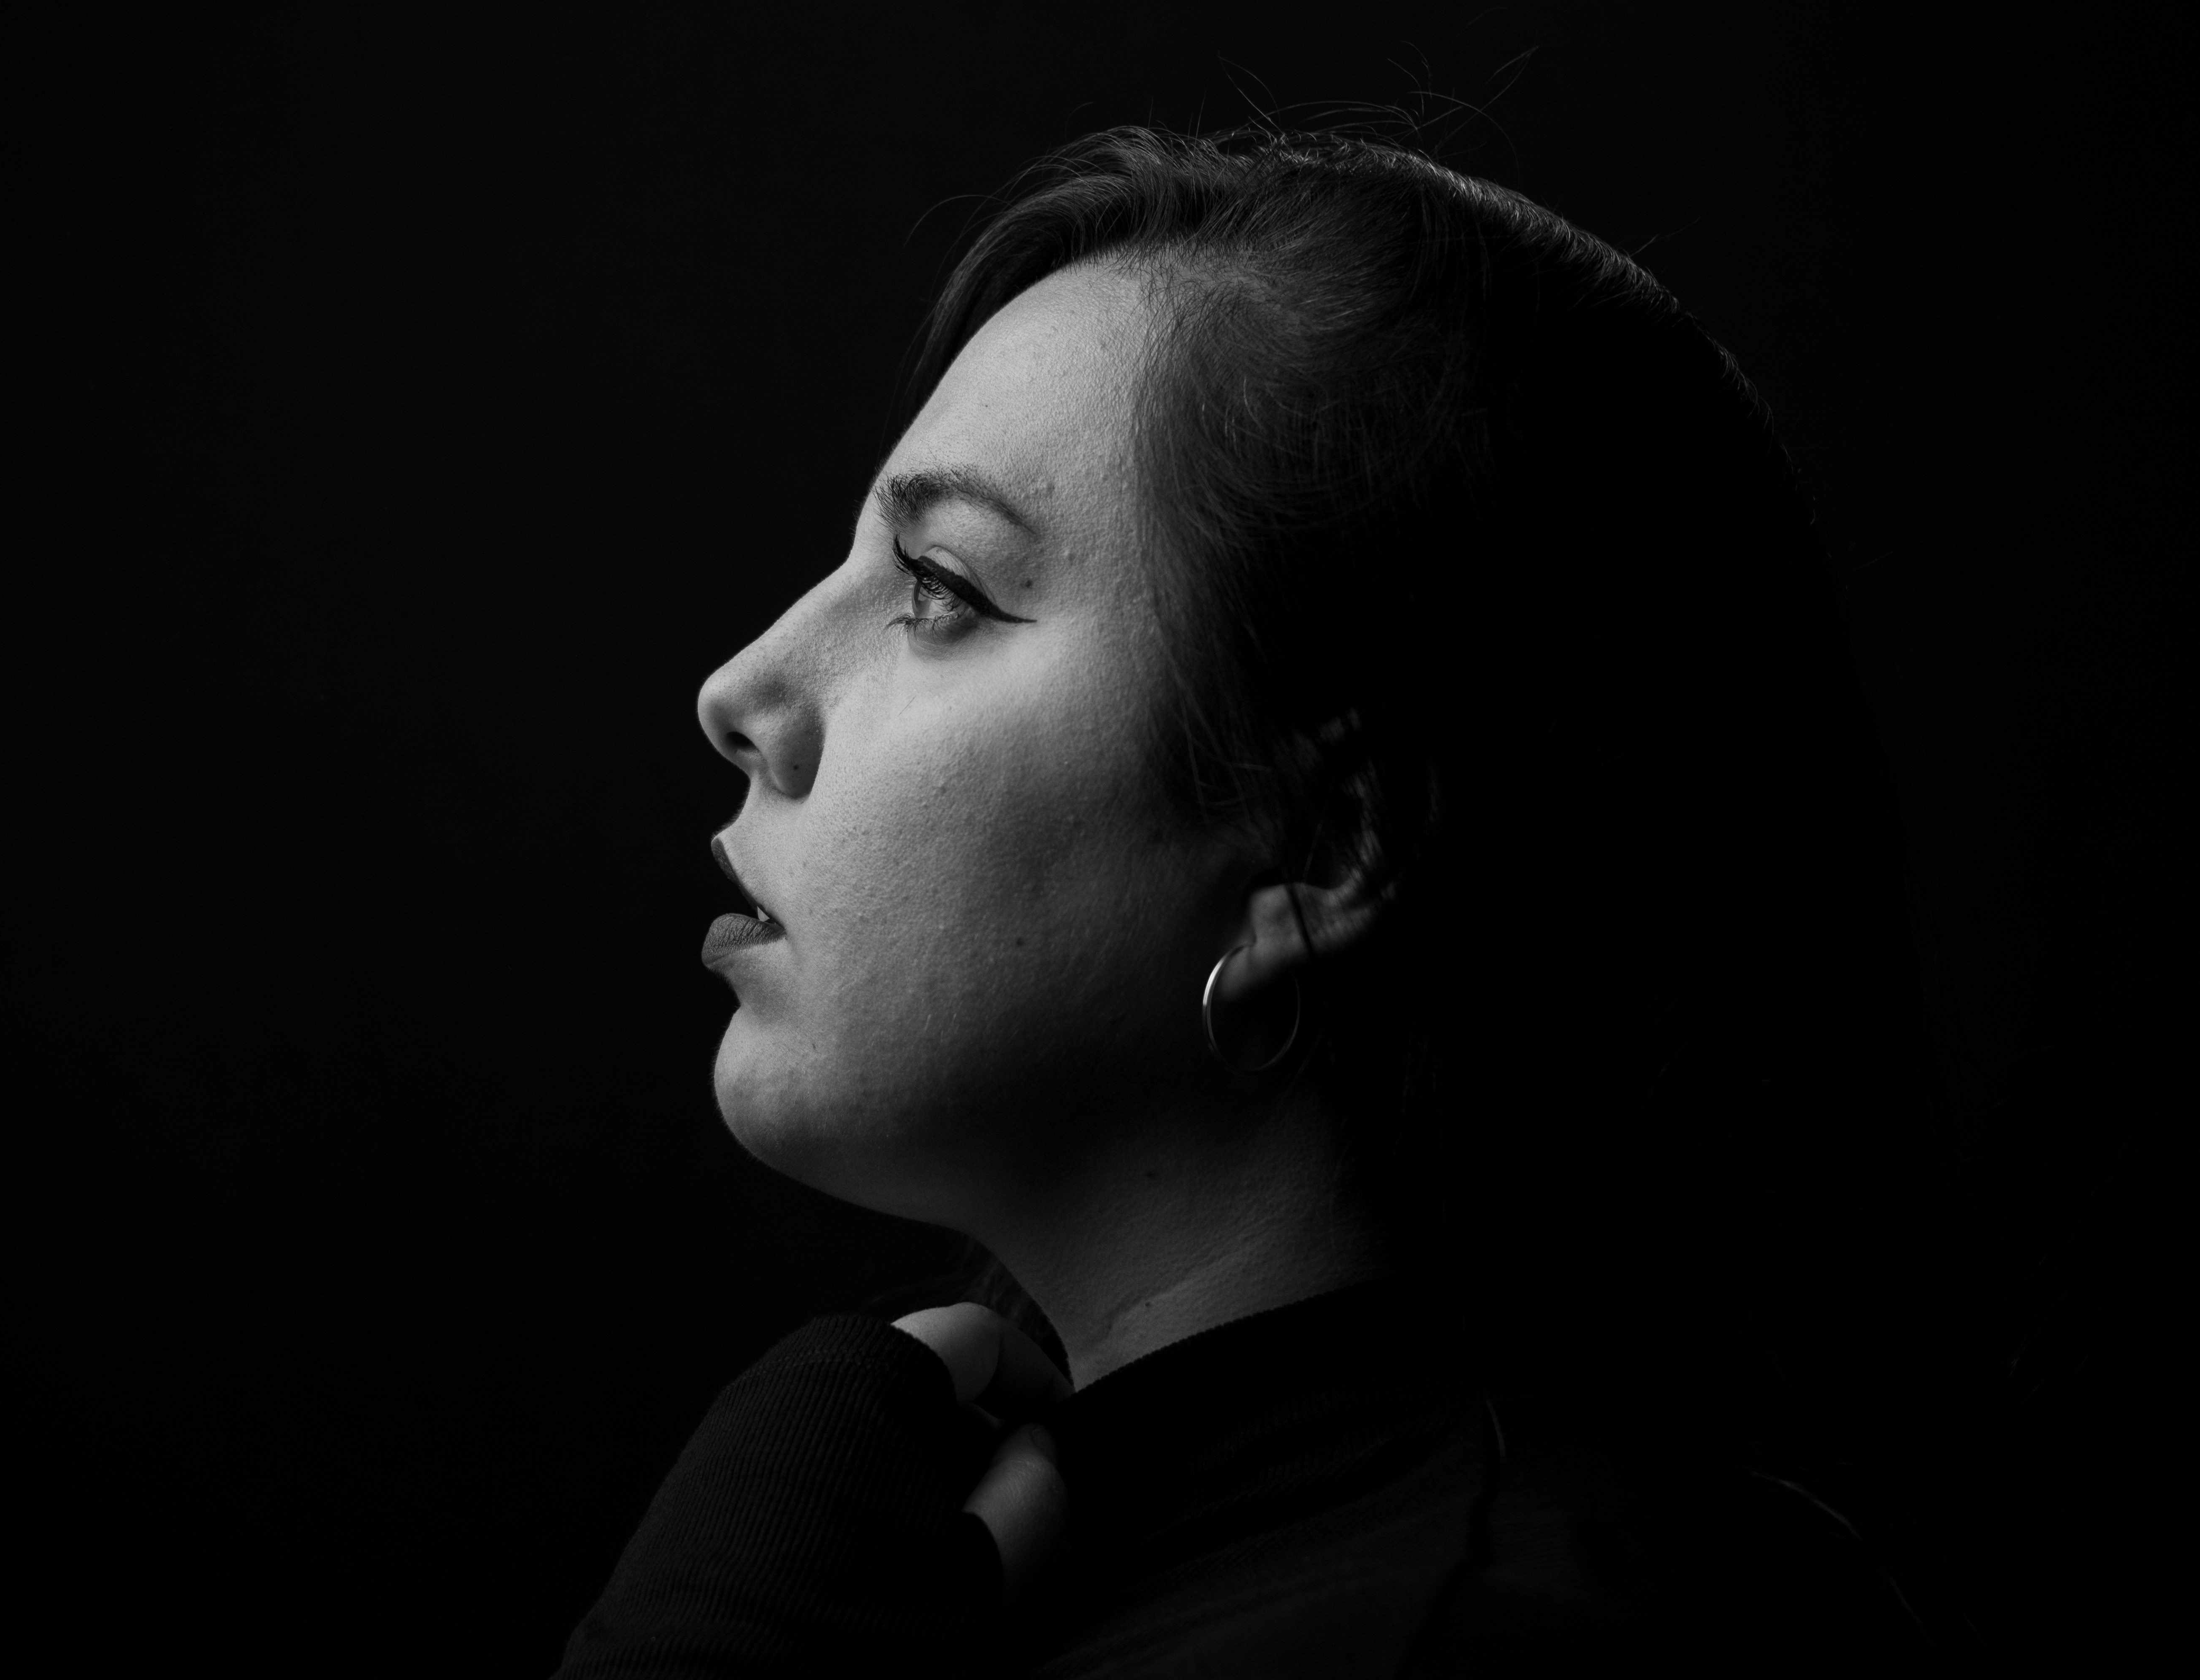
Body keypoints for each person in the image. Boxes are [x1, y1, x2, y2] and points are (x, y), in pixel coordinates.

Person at [554, 123, 1944, 1676]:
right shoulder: (964, 1582)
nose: (740, 692)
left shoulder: (1479, 1643)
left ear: (1321, 850)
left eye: (938, 591)